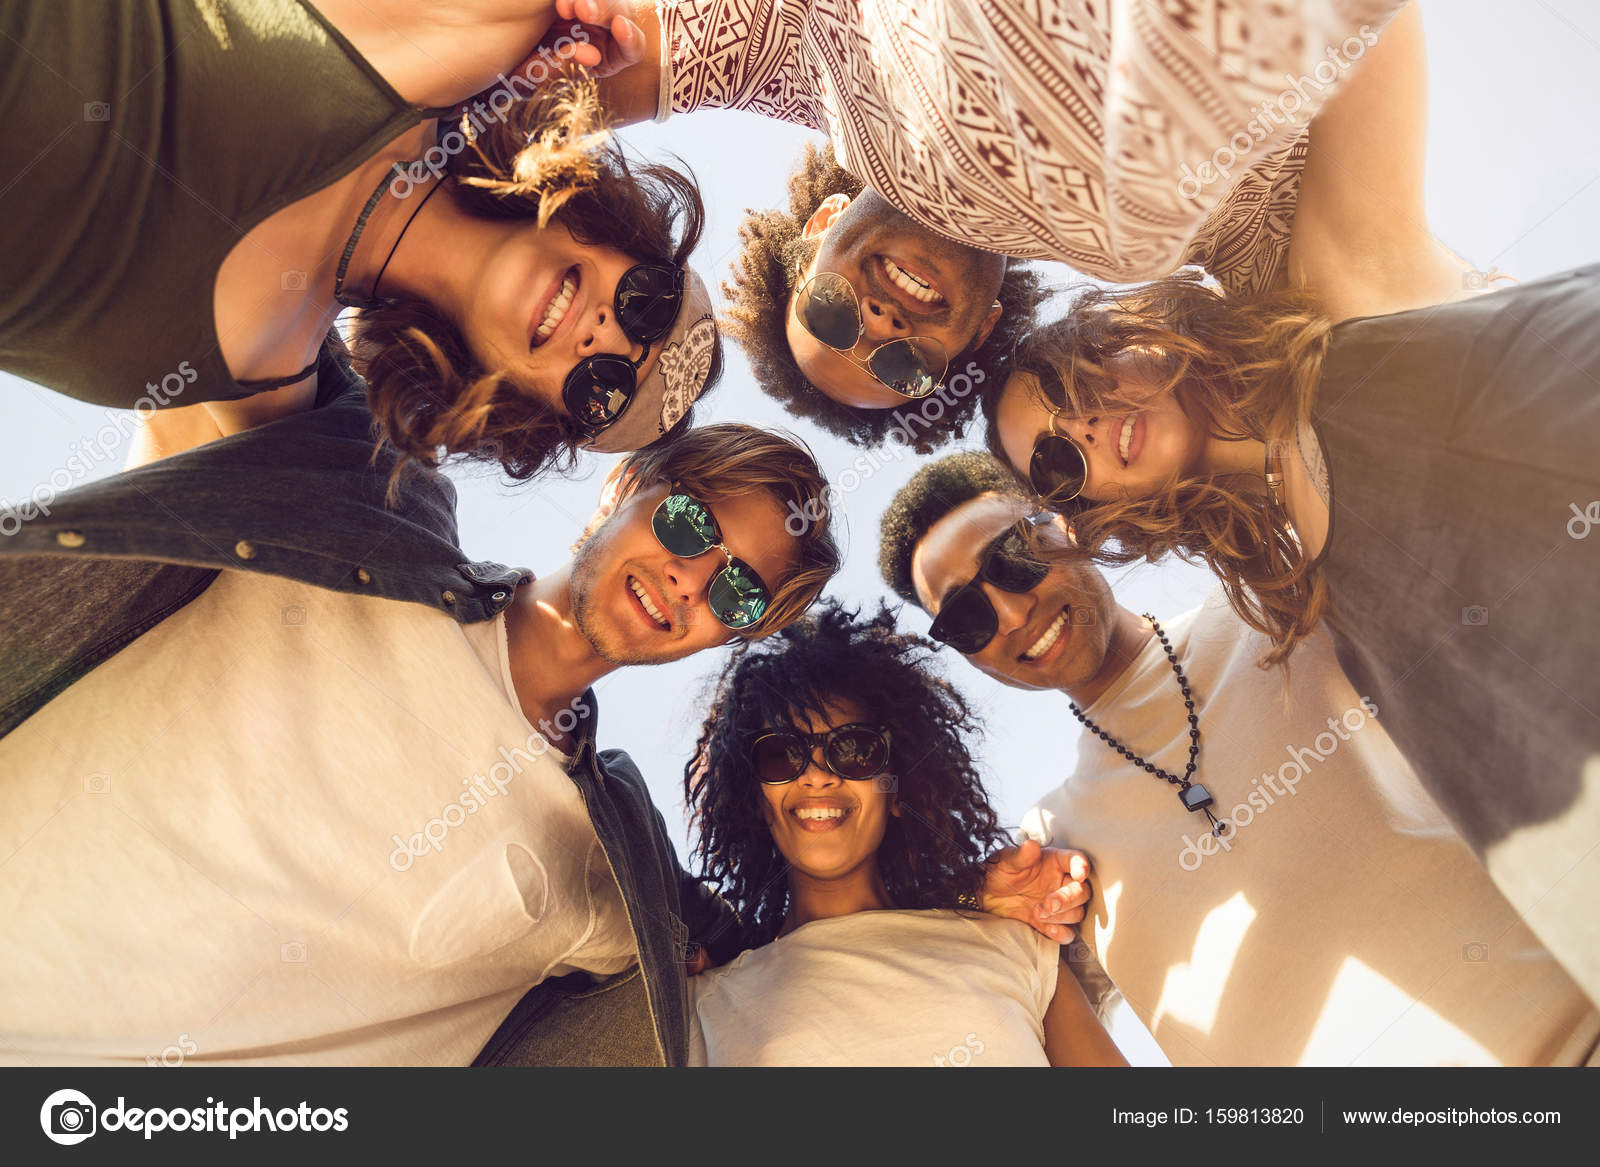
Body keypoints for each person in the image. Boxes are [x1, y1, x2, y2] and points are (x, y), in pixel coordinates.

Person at [0, 364, 1089, 1064]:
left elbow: (805, 955)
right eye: (686, 520)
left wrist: (961, 891)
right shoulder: (372, 520)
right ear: (621, 492)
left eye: (739, 592)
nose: (692, 579)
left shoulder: (609, 873)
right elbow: (243, 296)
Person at [981, 4, 1600, 1001]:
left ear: (1124, 330)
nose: (1087, 426)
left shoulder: (1331, 289)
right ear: (1096, 514)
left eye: (1077, 380)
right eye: (1058, 461)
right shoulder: (1307, 611)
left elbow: (1366, 30)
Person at [875, 453, 1600, 1063]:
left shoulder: (1276, 607)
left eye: (1015, 558)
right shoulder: (1054, 851)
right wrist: (973, 900)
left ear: (1063, 525)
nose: (1009, 612)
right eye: (966, 616)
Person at [513, 0, 1402, 437]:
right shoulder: (1208, 236)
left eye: (830, 315)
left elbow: (578, 67)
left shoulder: (796, 54)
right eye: (898, 363)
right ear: (975, 338)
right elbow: (1352, 324)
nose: (881, 324)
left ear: (821, 224)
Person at [1, 0, 722, 478]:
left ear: (527, 413)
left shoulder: (263, 411)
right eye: (646, 302)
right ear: (618, 230)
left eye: (603, 390)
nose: (607, 337)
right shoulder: (469, 29)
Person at [682, 602, 1126, 1067]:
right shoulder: (701, 1005)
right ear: (755, 796)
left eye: (853, 751)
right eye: (781, 756)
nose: (817, 776)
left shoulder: (1016, 944)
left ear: (897, 791)